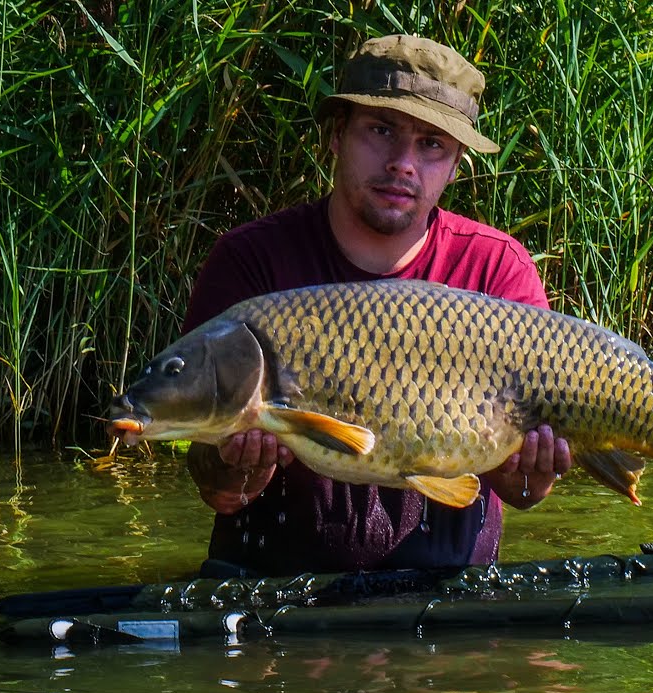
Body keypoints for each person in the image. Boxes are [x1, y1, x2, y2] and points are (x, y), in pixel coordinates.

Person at [184, 34, 572, 578]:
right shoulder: (251, 264)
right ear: (337, 134)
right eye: (382, 131)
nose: (403, 164)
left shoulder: (497, 271)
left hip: (448, 603)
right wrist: (234, 466)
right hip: (271, 595)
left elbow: (524, 493)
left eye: (432, 144)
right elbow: (210, 485)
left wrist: (534, 472)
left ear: (456, 162)